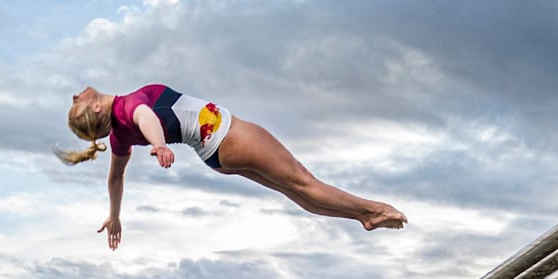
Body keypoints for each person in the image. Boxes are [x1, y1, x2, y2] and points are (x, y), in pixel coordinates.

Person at [55, 85, 407, 250]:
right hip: (227, 137)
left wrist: (114, 215)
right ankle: (372, 210)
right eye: (77, 105)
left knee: (296, 191)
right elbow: (145, 115)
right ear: (96, 110)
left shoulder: (119, 134)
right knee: (302, 180)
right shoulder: (126, 108)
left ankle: (363, 217)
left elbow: (115, 178)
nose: (75, 96)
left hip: (217, 155)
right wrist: (159, 145)